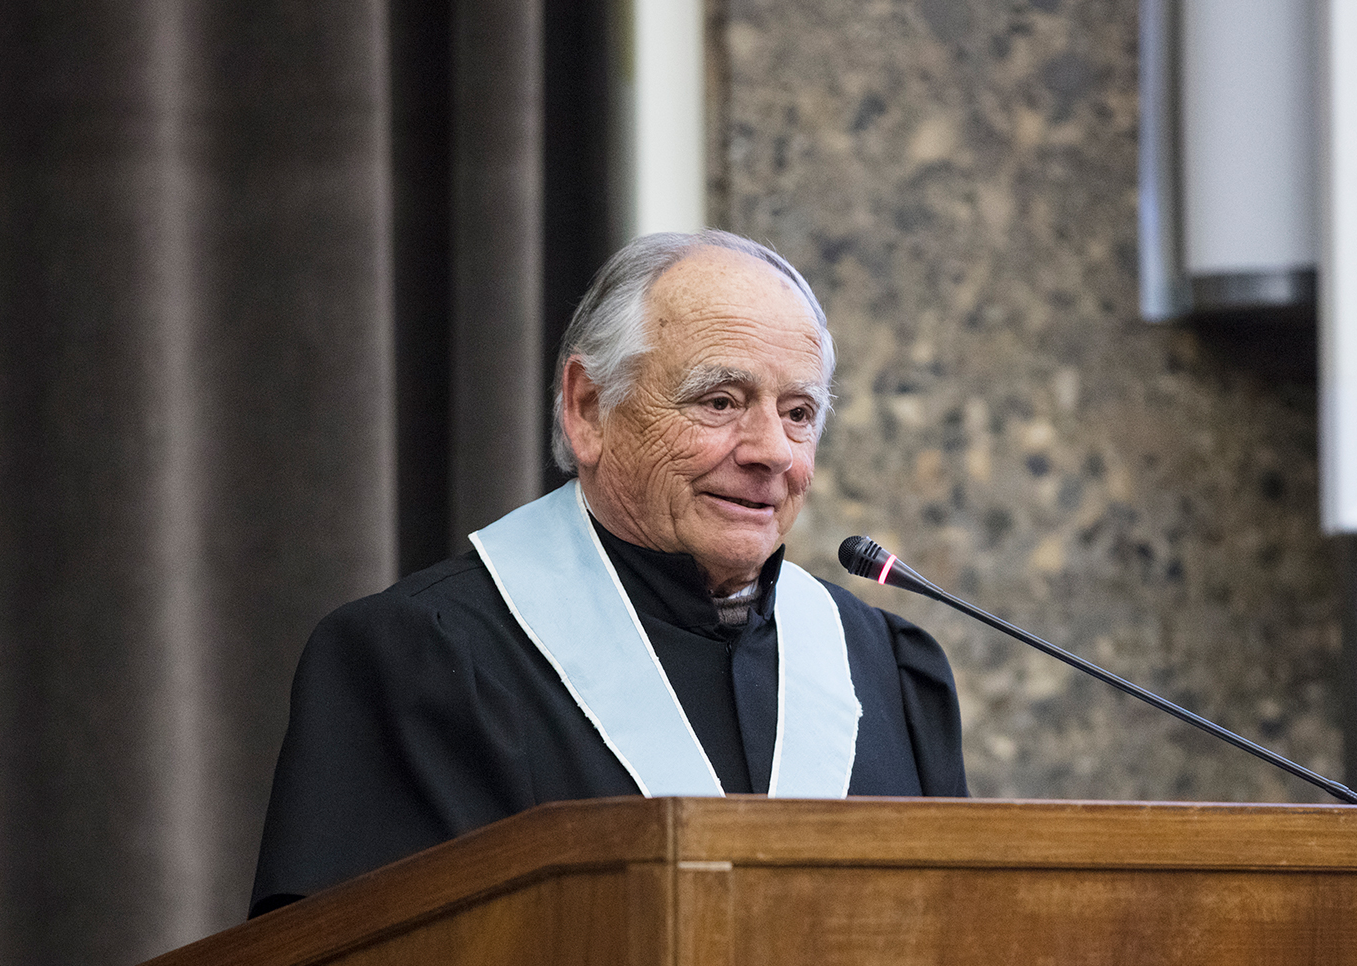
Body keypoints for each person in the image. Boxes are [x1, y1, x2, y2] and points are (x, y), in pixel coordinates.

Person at [249, 230, 967, 915]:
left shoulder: (886, 675)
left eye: (799, 412)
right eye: (720, 401)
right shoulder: (421, 661)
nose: (772, 451)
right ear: (588, 408)